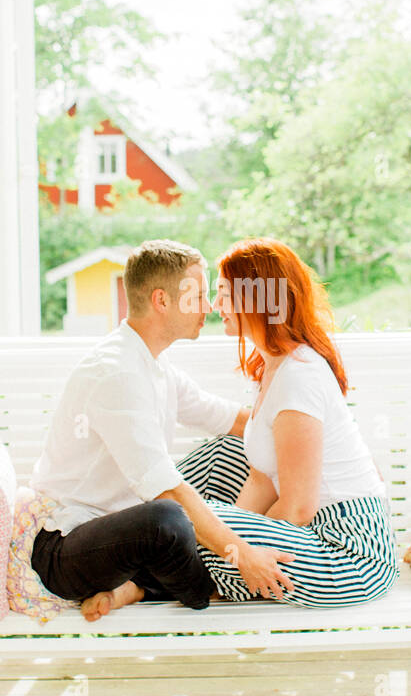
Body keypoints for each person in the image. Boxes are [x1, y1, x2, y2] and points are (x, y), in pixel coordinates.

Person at [29, 239, 296, 621]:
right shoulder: (116, 372)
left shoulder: (154, 365)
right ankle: (218, 588)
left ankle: (137, 587)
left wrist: (314, 440)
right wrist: (242, 553)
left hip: (124, 534)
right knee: (165, 519)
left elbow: (230, 418)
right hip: (67, 547)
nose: (209, 307)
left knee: (230, 449)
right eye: (199, 295)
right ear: (162, 300)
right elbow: (165, 487)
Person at [181, 237, 399, 606]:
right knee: (217, 467)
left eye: (223, 294)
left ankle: (150, 574)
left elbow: (297, 508)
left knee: (191, 516)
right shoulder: (273, 366)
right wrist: (231, 536)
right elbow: (262, 478)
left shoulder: (300, 375)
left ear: (257, 298)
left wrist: (230, 540)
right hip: (312, 528)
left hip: (350, 552)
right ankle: (164, 559)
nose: (216, 306)